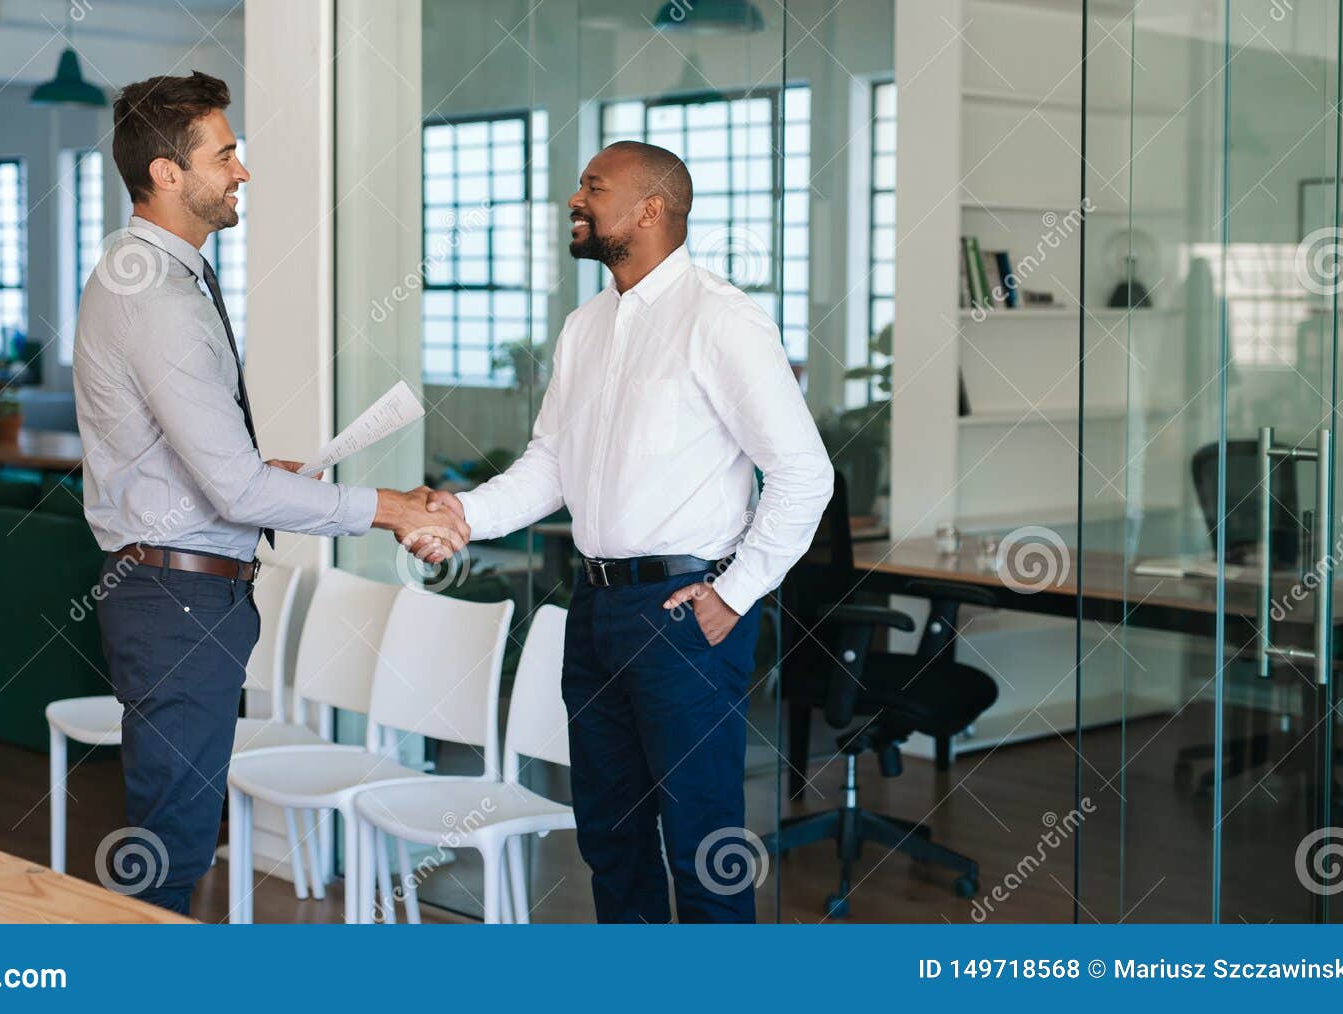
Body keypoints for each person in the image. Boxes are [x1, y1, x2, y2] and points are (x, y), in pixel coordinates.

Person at [72, 71, 465, 915]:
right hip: (176, 601)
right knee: (172, 853)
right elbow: (229, 487)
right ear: (167, 174)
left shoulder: (152, 274)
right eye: (225, 153)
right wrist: (391, 509)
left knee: (171, 835)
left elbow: (203, 465)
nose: (241, 170)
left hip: (178, 593)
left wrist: (262, 473)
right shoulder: (159, 295)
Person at [428, 141, 833, 923]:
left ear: (649, 209)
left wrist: (734, 594)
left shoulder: (720, 319)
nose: (575, 200)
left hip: (685, 614)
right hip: (597, 612)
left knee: (700, 844)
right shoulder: (586, 327)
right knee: (610, 841)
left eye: (593, 187)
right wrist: (462, 516)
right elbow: (550, 465)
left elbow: (804, 474)